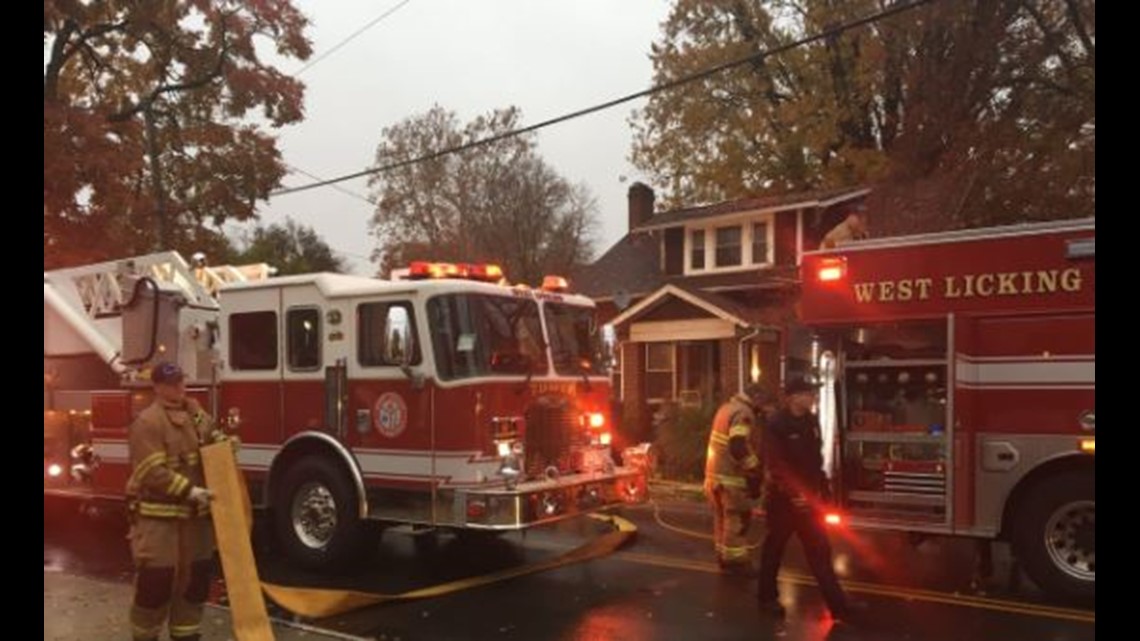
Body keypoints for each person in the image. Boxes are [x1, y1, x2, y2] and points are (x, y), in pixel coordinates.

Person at [126, 361, 226, 641]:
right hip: (160, 524)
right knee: (156, 585)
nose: (180, 387)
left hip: (196, 523)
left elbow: (214, 439)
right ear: (157, 387)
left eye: (181, 381)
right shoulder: (148, 422)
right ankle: (145, 636)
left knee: (194, 585)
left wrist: (226, 447)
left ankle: (187, 634)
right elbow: (149, 471)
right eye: (172, 383)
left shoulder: (196, 414)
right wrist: (189, 491)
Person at [757, 378, 863, 623]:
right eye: (808, 394)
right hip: (783, 502)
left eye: (813, 394)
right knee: (774, 550)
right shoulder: (776, 424)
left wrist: (822, 490)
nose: (813, 397)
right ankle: (767, 599)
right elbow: (777, 465)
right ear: (793, 397)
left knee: (820, 551)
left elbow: (814, 461)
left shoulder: (810, 422)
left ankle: (839, 607)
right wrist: (796, 495)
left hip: (809, 501)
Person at [703, 383, 772, 576]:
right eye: (764, 403)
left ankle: (724, 557)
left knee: (722, 520)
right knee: (737, 521)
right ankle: (737, 563)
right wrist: (755, 469)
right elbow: (738, 446)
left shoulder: (726, 408)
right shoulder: (744, 414)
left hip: (714, 478)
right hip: (731, 480)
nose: (764, 407)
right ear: (756, 398)